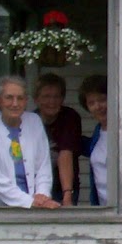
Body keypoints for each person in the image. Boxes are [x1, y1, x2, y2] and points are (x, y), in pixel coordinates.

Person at [0, 76, 60, 209]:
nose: (15, 103)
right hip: (1, 208)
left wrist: (42, 194)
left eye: (20, 98)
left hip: (37, 205)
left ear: (26, 101)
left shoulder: (34, 121)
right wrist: (29, 202)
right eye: (9, 97)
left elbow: (43, 165)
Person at [34, 72, 83, 207]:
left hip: (64, 186)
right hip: (36, 187)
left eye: (57, 96)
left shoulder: (69, 117)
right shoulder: (31, 120)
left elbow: (65, 154)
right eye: (46, 96)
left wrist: (67, 196)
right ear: (36, 99)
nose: (52, 101)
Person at [79, 74, 110, 205]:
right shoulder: (98, 133)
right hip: (104, 209)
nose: (98, 106)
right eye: (91, 103)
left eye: (102, 100)